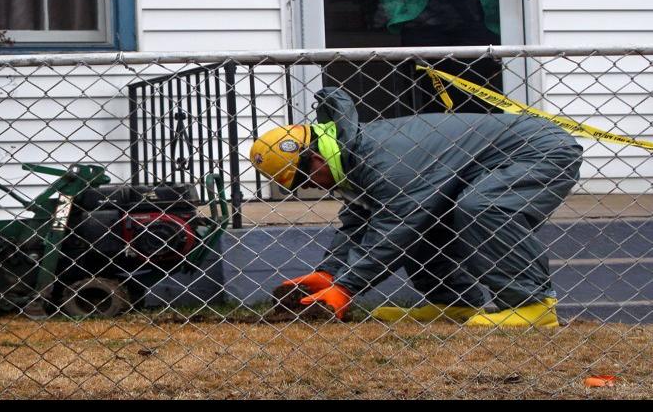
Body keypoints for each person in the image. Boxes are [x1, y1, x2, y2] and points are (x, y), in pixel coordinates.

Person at [249, 88, 583, 328]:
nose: (309, 188)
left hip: (538, 150)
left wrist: (346, 288)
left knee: (483, 206)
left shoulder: (382, 160)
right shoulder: (352, 159)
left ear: (316, 157)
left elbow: (394, 230)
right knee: (429, 219)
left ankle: (534, 305)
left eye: (305, 179)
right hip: (490, 162)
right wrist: (329, 273)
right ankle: (454, 303)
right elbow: (360, 225)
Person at [380, 0, 501, 113]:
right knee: (429, 100)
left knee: (478, 100)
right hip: (424, 36)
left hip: (479, 35)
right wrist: (402, 17)